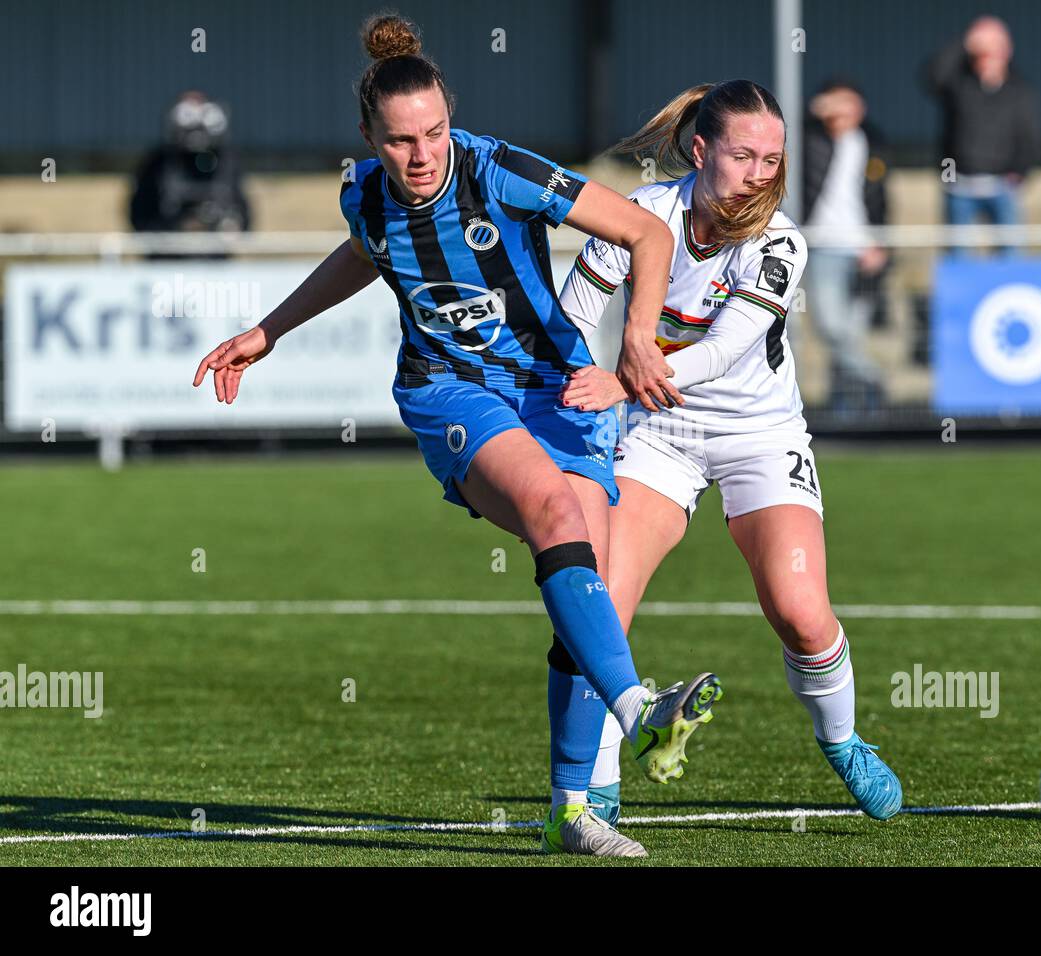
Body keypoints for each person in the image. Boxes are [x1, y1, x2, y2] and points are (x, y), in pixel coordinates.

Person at [190, 13, 722, 859]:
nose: (422, 154)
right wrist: (272, 329)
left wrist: (635, 341)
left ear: (451, 121)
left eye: (434, 132)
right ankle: (640, 713)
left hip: (555, 385)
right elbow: (364, 255)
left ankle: (568, 811)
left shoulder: (497, 167)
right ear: (368, 137)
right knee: (554, 511)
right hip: (449, 393)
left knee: (584, 581)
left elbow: (645, 232)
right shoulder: (363, 192)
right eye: (400, 141)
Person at [548, 80, 903, 847]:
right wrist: (567, 390)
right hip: (654, 434)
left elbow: (720, 351)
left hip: (759, 434)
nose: (759, 174)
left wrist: (622, 377)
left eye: (772, 160)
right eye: (743, 155)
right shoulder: (639, 214)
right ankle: (597, 794)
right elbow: (570, 317)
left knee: (802, 612)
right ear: (701, 150)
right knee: (601, 608)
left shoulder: (781, 240)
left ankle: (841, 740)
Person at [801, 79, 890, 411]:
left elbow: (880, 197)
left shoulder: (873, 142)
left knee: (852, 332)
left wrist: (880, 244)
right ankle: (873, 377)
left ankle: (849, 408)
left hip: (863, 249)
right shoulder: (810, 139)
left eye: (848, 103)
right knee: (831, 326)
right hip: (823, 244)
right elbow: (790, 124)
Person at [924, 16, 1040, 254]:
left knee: (1011, 254)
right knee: (958, 254)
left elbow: (1029, 136)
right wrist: (966, 43)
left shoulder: (1019, 91)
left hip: (1001, 187)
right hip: (960, 186)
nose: (987, 59)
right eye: (982, 53)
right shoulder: (958, 85)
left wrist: (1020, 172)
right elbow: (932, 76)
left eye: (993, 51)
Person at [129, 90, 252, 256]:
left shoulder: (226, 162)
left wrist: (231, 226)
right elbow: (139, 214)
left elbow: (242, 212)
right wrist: (172, 226)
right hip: (166, 259)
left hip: (216, 264)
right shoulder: (159, 163)